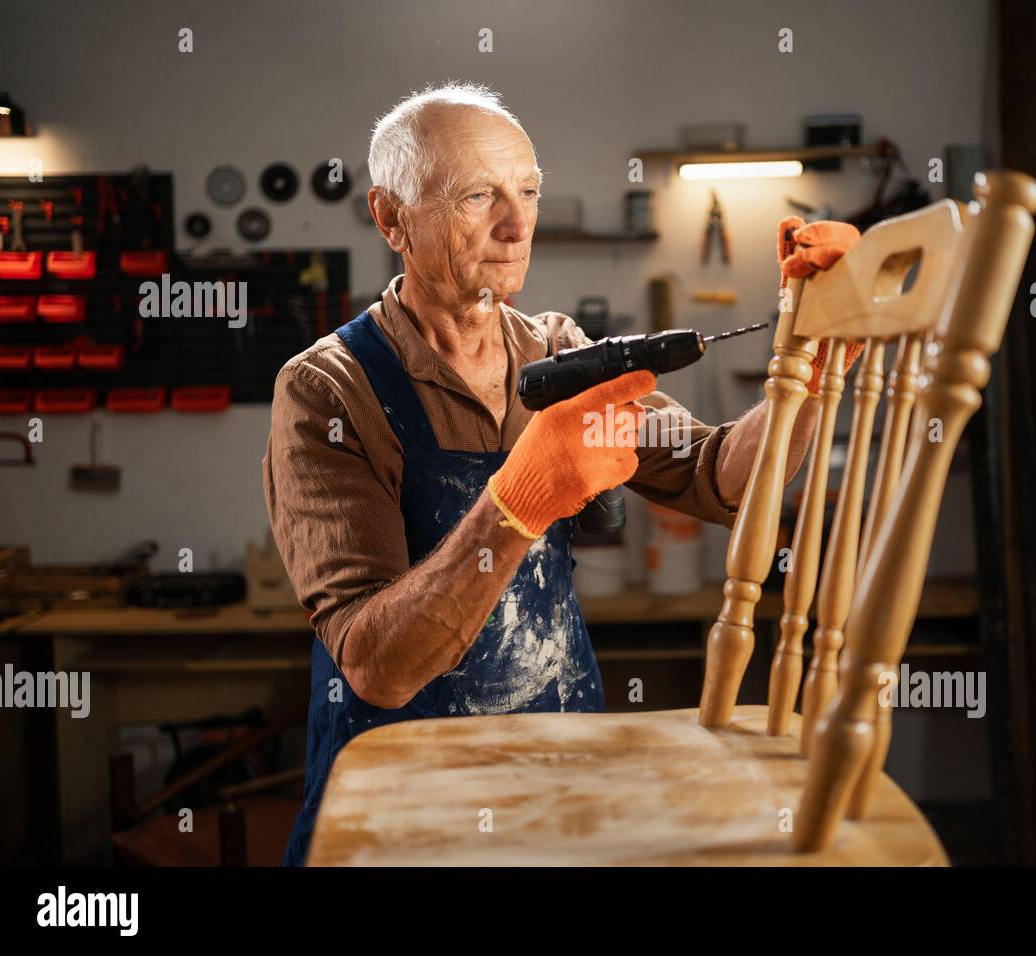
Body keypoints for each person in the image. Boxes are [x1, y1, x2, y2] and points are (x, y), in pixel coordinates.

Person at [263, 81, 858, 865]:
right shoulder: (327, 390)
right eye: (479, 195)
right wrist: (515, 503)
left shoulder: (560, 354)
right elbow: (376, 663)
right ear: (390, 218)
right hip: (402, 799)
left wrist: (809, 363)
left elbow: (720, 477)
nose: (515, 226)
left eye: (529, 192)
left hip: (562, 767)